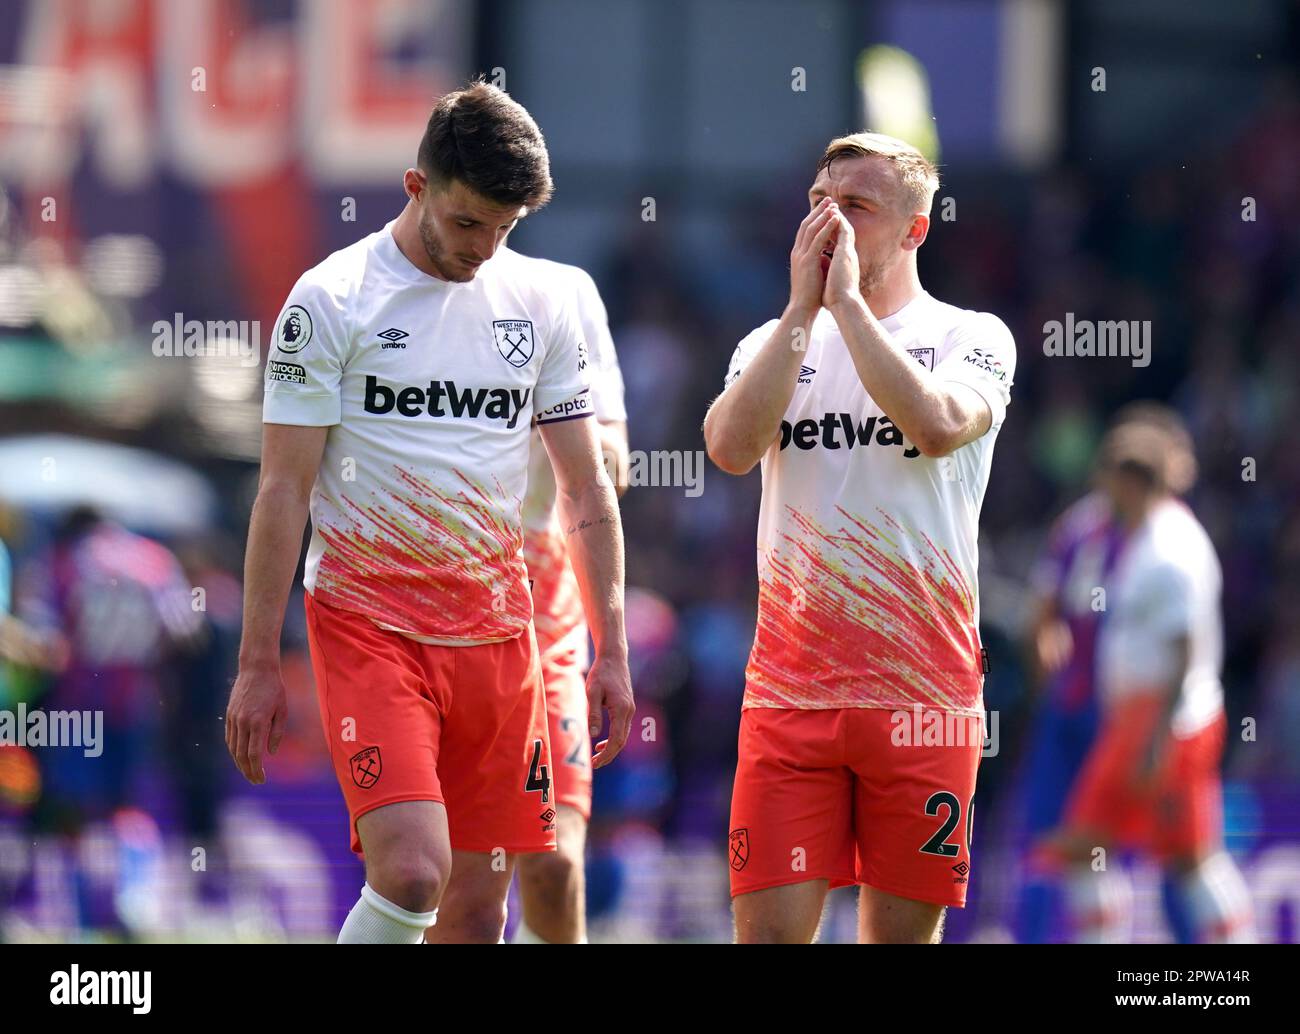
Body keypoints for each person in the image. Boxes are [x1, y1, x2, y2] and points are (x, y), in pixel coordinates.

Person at [225, 80, 633, 945]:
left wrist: (612, 651)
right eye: (467, 224)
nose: (485, 248)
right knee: (412, 873)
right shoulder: (330, 300)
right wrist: (258, 660)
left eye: (505, 228)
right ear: (416, 189)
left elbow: (588, 488)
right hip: (370, 628)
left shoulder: (543, 303)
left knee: (479, 916)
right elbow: (282, 490)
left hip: (498, 639)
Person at [704, 132, 1016, 944]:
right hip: (788, 695)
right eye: (817, 205)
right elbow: (731, 449)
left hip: (924, 702)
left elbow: (940, 424)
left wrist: (844, 305)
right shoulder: (772, 344)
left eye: (855, 208)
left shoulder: (970, 335)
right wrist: (806, 313)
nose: (828, 224)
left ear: (914, 229)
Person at [1037, 410, 1255, 943]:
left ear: (1132, 480)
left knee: (1084, 842)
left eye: (1111, 479)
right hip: (1159, 720)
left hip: (1161, 722)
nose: (1103, 492)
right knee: (1184, 857)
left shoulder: (1169, 550)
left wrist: (1156, 739)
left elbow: (1184, 648)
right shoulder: (1149, 535)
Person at [512, 255, 629, 944]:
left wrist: (561, 426)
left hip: (546, 606)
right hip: (437, 605)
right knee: (458, 883)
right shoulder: (386, 294)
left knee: (554, 863)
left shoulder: (563, 294)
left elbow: (616, 459)